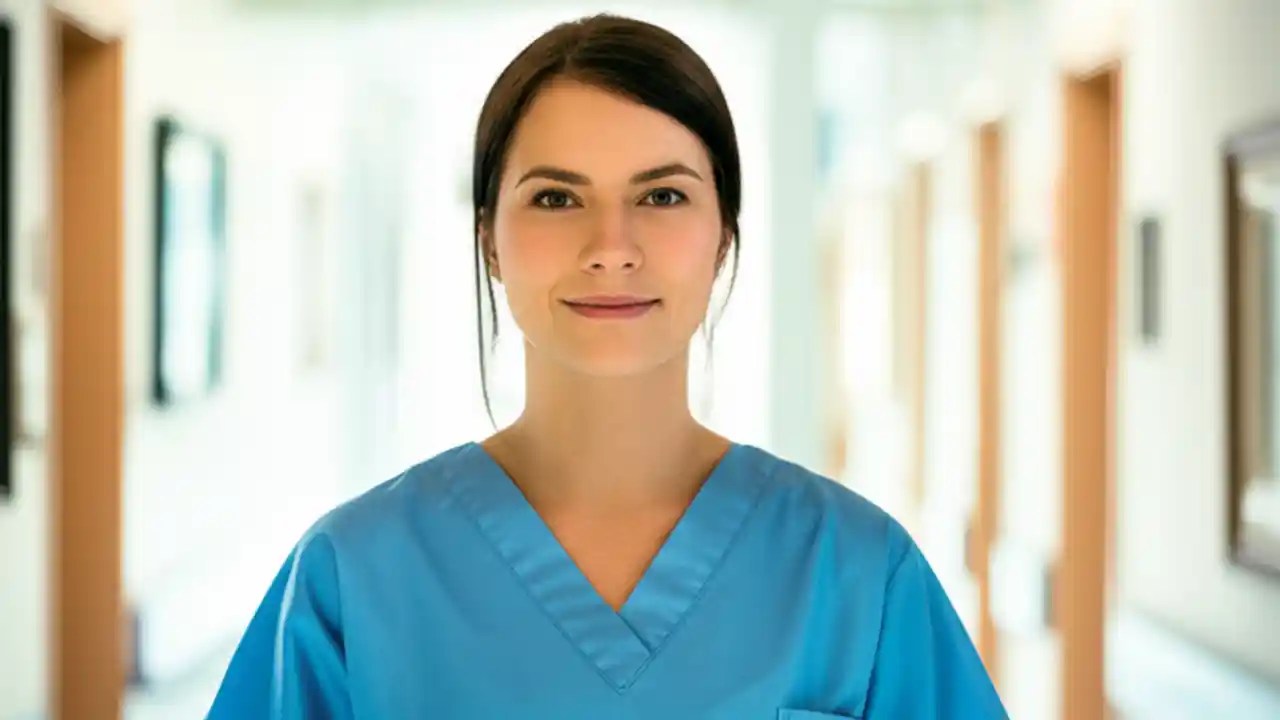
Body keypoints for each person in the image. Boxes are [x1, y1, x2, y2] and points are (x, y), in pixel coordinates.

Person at [207, 13, 1007, 719]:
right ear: (489, 237)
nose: (610, 249)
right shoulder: (355, 581)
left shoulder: (857, 575)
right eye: (557, 198)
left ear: (724, 233)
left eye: (661, 197)